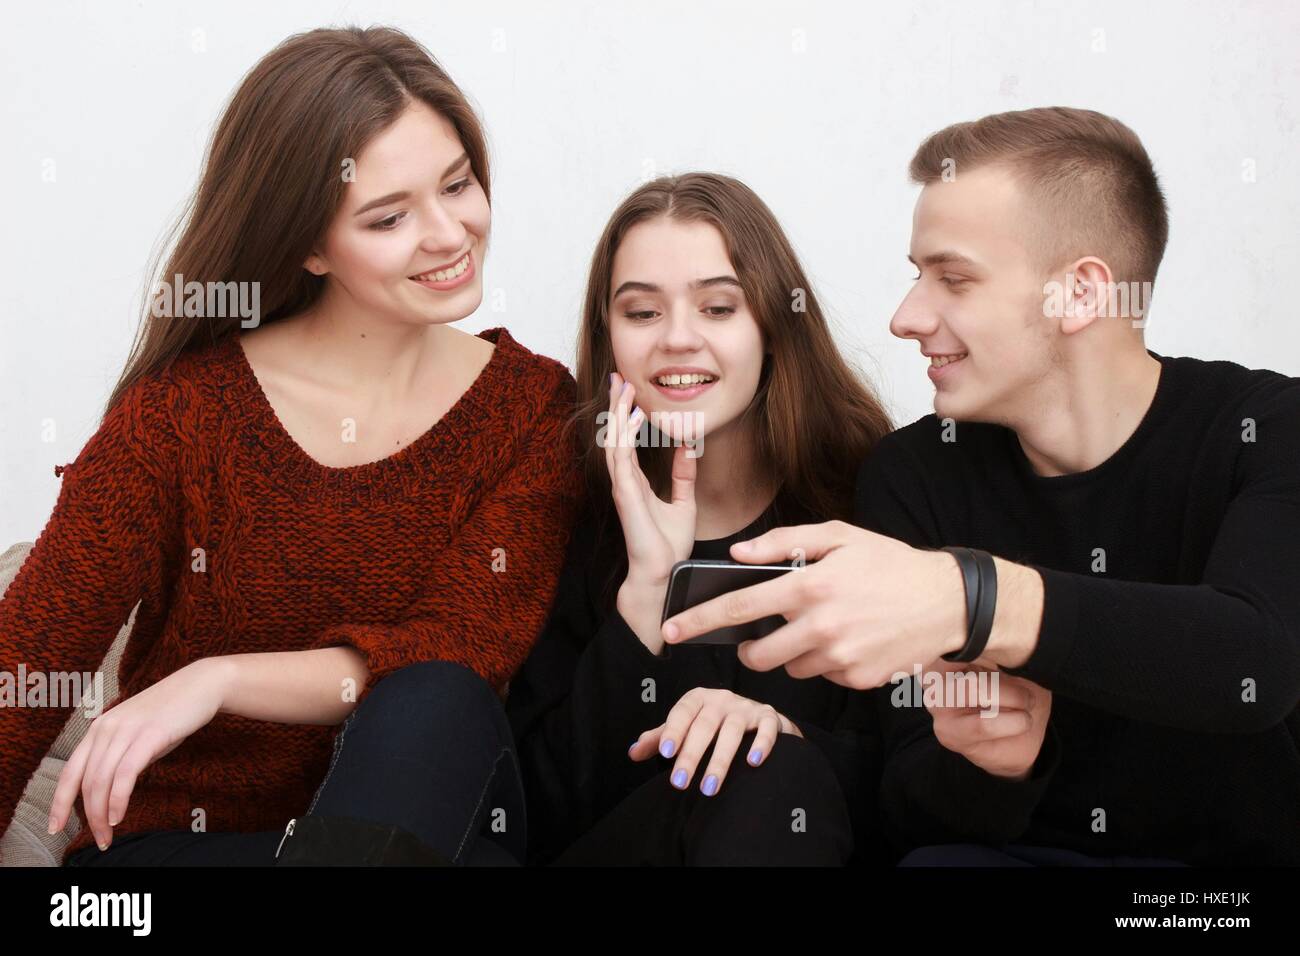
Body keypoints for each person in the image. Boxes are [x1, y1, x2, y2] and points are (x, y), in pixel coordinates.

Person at [0, 25, 581, 867]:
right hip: (188, 854)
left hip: (423, 830)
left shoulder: (531, 410)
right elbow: (24, 673)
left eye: (457, 185)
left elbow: (462, 644)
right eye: (388, 217)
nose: (450, 234)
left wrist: (219, 679)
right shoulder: (178, 417)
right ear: (308, 245)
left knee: (435, 694)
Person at [658, 107, 1300, 866]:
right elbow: (910, 809)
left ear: (1081, 294)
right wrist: (992, 764)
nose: (906, 317)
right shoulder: (914, 474)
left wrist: (971, 598)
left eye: (952, 278)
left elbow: (1253, 659)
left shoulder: (1267, 427)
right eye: (915, 275)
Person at [506, 172, 894, 866]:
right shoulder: (563, 503)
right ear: (610, 338)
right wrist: (645, 599)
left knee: (765, 766)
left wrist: (780, 740)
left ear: (774, 326)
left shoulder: (871, 495)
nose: (678, 340)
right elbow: (535, 819)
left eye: (718, 309)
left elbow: (915, 792)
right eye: (642, 312)